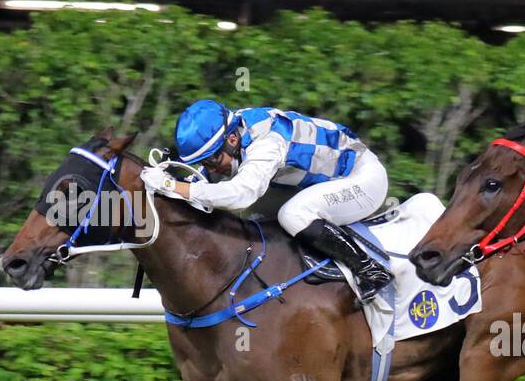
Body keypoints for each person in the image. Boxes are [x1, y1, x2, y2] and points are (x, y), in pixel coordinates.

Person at [141, 100, 393, 301]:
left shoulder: (268, 142)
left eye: (212, 161)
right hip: (321, 182)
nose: (211, 170)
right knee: (252, 217)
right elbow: (208, 187)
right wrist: (177, 186)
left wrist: (172, 185)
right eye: (202, 163)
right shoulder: (233, 132)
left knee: (293, 214)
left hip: (363, 180)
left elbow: (241, 194)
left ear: (231, 140)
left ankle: (369, 270)